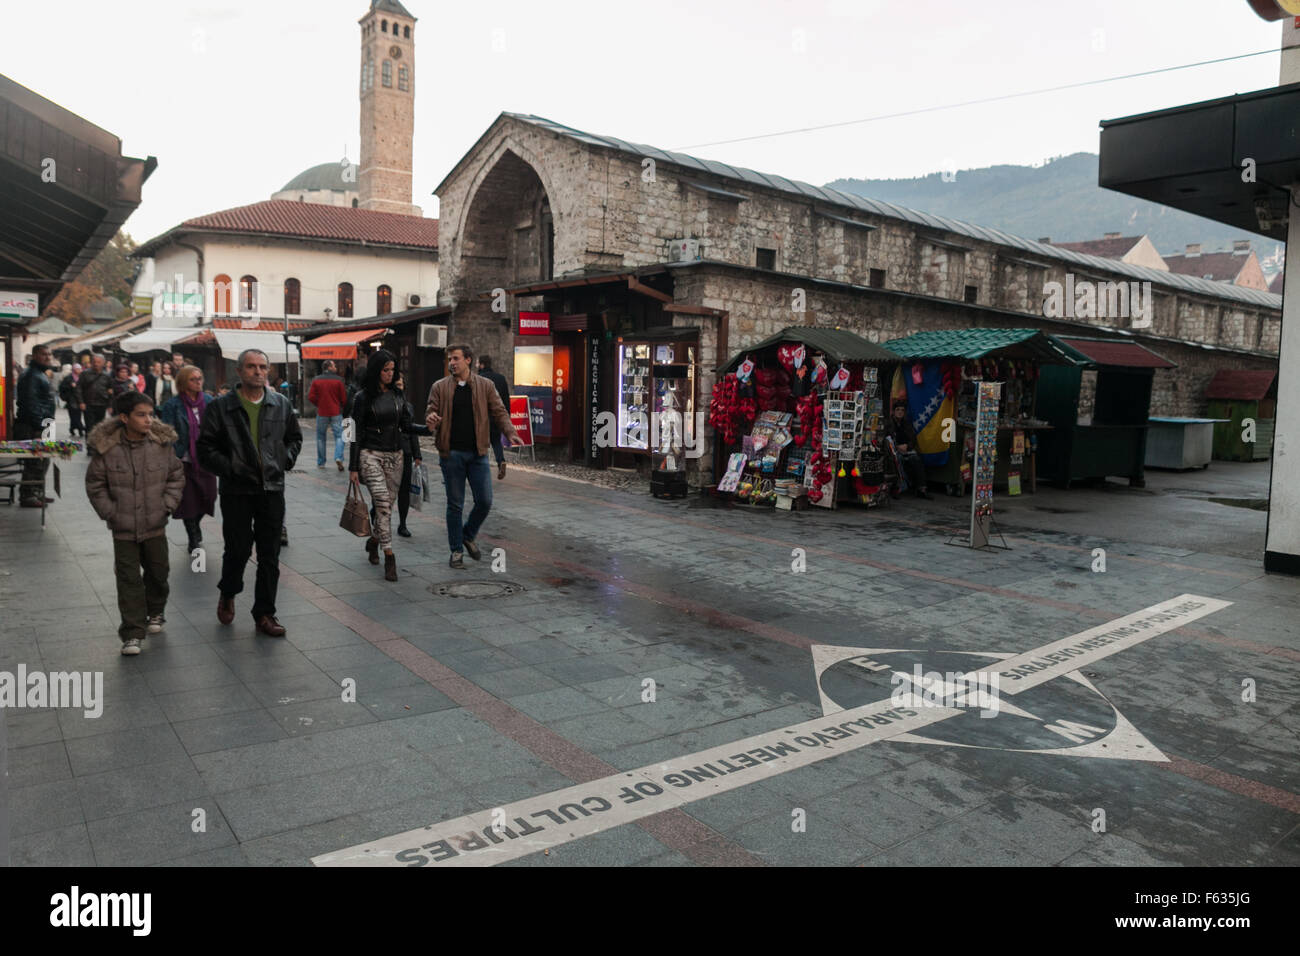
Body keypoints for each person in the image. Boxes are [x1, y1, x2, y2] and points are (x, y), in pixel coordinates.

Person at [197, 348, 302, 637]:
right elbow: (205, 449)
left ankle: (265, 613)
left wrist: (285, 459)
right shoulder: (221, 407)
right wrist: (231, 466)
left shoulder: (280, 403)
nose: (258, 372)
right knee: (238, 550)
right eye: (252, 367)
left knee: (270, 554)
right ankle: (229, 591)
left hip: (271, 489)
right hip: (237, 489)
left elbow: (294, 438)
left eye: (263, 367)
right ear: (240, 371)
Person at [85, 391, 185, 656]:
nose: (148, 420)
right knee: (128, 579)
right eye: (141, 415)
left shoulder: (161, 445)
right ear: (124, 417)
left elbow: (176, 475)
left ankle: (156, 611)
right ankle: (131, 632)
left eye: (151, 414)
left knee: (158, 573)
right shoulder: (107, 449)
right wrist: (111, 512)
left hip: (155, 524)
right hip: (123, 529)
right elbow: (95, 483)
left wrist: (167, 505)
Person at [425, 343, 521, 569]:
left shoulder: (485, 385)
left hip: (478, 453)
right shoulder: (440, 386)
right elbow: (431, 409)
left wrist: (510, 432)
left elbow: (499, 411)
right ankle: (456, 551)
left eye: (456, 358)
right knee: (455, 505)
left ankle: (468, 534)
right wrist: (431, 418)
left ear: (468, 360)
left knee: (485, 501)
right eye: (450, 359)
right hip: (451, 454)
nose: (452, 363)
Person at [349, 350, 429, 580]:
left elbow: (407, 425)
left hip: (396, 456)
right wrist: (353, 467)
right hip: (370, 455)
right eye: (386, 370)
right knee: (383, 504)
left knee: (387, 507)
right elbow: (354, 433)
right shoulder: (362, 398)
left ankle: (374, 541)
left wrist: (428, 429)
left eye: (392, 370)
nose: (390, 374)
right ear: (376, 371)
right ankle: (389, 556)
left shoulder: (398, 395)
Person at [159, 365, 217, 552]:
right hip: (183, 459)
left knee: (209, 496)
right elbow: (167, 431)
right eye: (193, 379)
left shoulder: (209, 401)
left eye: (200, 378)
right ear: (184, 382)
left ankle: (196, 524)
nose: (198, 381)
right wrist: (173, 452)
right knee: (188, 500)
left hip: (205, 458)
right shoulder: (172, 405)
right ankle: (192, 535)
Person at [14, 345, 57, 507]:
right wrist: (39, 428)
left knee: (43, 460)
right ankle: (28, 495)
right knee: (34, 461)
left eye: (49, 354)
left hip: (42, 425)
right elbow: (31, 404)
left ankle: (37, 491)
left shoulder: (39, 374)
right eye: (43, 354)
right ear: (34, 356)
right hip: (33, 426)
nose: (47, 357)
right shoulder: (31, 375)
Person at [391, 372, 421, 537]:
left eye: (401, 385)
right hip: (388, 452)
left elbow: (413, 431)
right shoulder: (382, 404)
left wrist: (417, 453)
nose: (398, 388)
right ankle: (377, 516)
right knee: (384, 491)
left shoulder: (408, 406)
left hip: (406, 452)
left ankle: (402, 524)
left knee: (404, 490)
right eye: (396, 385)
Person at [886, 401, 933, 500]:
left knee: (917, 459)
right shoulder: (889, 424)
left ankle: (921, 489)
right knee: (896, 461)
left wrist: (907, 446)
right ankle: (897, 488)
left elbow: (913, 439)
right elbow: (887, 439)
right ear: (893, 411)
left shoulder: (906, 424)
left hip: (907, 450)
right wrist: (897, 447)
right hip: (894, 451)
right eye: (897, 410)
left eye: (902, 410)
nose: (900, 412)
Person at [477, 355, 512, 480]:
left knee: (481, 444)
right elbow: (506, 400)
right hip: (497, 417)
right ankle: (500, 461)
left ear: (481, 364)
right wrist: (507, 418)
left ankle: (482, 468)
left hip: (482, 418)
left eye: (477, 363)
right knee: (496, 441)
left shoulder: (478, 379)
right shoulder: (501, 378)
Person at [307, 359, 347, 470]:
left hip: (322, 412)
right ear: (329, 367)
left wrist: (319, 403)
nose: (336, 368)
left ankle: (321, 463)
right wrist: (341, 405)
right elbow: (343, 398)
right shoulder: (339, 380)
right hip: (335, 411)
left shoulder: (316, 380)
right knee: (339, 436)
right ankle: (338, 457)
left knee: (320, 437)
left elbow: (311, 397)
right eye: (334, 365)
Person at [78, 353, 112, 436]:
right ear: (91, 362)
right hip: (88, 404)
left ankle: (97, 446)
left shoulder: (107, 376)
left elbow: (110, 391)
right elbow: (78, 388)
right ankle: (89, 445)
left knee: (100, 426)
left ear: (103, 363)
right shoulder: (85, 374)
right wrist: (81, 402)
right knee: (89, 426)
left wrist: (110, 405)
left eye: (99, 362)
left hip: (101, 404)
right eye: (94, 362)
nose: (96, 364)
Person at [60, 363, 84, 438]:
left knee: (78, 415)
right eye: (77, 369)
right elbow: (62, 387)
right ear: (74, 370)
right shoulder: (68, 378)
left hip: (80, 400)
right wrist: (70, 386)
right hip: (71, 400)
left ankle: (72, 428)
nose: (79, 370)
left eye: (80, 369)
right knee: (73, 416)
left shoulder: (82, 377)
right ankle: (81, 428)